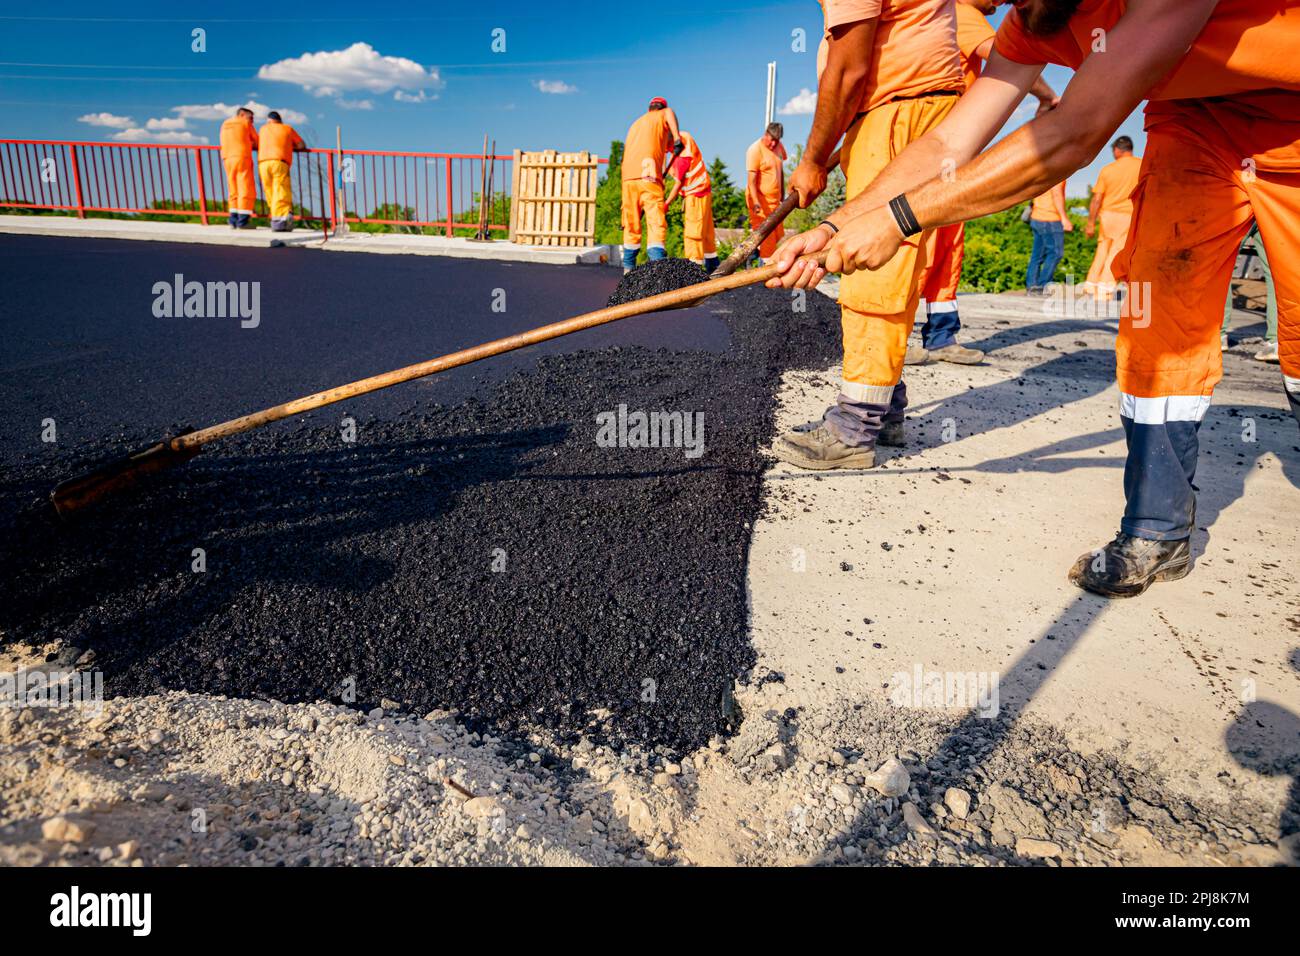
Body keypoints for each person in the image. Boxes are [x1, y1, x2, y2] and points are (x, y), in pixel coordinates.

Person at [767, 0, 1300, 598]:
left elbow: (1074, 132)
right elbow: (950, 141)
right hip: (1190, 121)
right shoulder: (1029, 20)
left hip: (1294, 105)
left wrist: (897, 220)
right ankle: (1158, 526)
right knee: (1162, 316)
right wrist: (840, 225)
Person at [772, 0, 967, 472]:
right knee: (898, 271)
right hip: (906, 113)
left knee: (872, 271)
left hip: (899, 114)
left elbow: (847, 70)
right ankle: (884, 411)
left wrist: (814, 158)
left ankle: (854, 429)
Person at [910, 0, 1059, 364]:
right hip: (935, 150)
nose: (1001, 2)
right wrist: (1048, 95)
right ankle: (892, 338)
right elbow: (1007, 55)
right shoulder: (960, 12)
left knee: (947, 246)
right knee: (920, 246)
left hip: (952, 157)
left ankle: (941, 337)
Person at [621, 97, 682, 273]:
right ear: (660, 108)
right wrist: (677, 138)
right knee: (655, 221)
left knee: (631, 223)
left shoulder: (636, 124)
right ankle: (657, 269)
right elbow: (669, 114)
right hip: (648, 173)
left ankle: (628, 270)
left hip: (628, 177)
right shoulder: (662, 114)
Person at [1083, 136, 1141, 300]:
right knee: (1116, 251)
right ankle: (1105, 288)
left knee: (1103, 249)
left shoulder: (1107, 169)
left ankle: (1091, 285)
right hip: (1128, 215)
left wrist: (1090, 223)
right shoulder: (1141, 166)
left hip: (1107, 215)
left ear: (1117, 150)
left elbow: (1096, 199)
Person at [1222, 224, 1279, 363]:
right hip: (1272, 206)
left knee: (1221, 264)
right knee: (1277, 271)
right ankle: (1277, 341)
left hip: (1239, 207)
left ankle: (1217, 333)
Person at [664, 130, 718, 274]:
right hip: (704, 191)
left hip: (695, 196)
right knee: (706, 234)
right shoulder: (684, 137)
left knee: (693, 235)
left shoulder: (681, 159)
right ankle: (713, 266)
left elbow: (677, 185)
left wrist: (667, 203)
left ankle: (694, 271)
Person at [745, 123, 788, 264]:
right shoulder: (755, 150)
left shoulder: (778, 147)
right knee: (766, 238)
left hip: (774, 201)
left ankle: (753, 253)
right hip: (759, 200)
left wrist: (782, 195)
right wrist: (756, 203)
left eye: (777, 140)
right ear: (766, 134)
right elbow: (751, 181)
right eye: (772, 139)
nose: (774, 143)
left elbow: (780, 169)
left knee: (776, 235)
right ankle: (764, 275)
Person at [257, 111, 306, 232]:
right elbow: (301, 145)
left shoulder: (263, 129)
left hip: (263, 163)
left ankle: (275, 218)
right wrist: (290, 146)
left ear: (269, 121)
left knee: (270, 192)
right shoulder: (287, 128)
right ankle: (279, 223)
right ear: (280, 120)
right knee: (280, 191)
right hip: (279, 162)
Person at [1025, 180, 1071, 294]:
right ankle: (1043, 285)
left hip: (1037, 217)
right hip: (1050, 218)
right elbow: (1056, 194)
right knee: (1056, 253)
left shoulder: (1044, 173)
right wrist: (1064, 218)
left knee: (1037, 255)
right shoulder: (1058, 172)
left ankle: (1032, 285)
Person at [219, 107, 258, 229]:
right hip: (241, 156)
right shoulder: (244, 122)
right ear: (242, 114)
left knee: (233, 188)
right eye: (251, 117)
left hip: (227, 157)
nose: (252, 121)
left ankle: (233, 220)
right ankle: (243, 221)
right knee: (245, 187)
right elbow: (257, 140)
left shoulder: (225, 123)